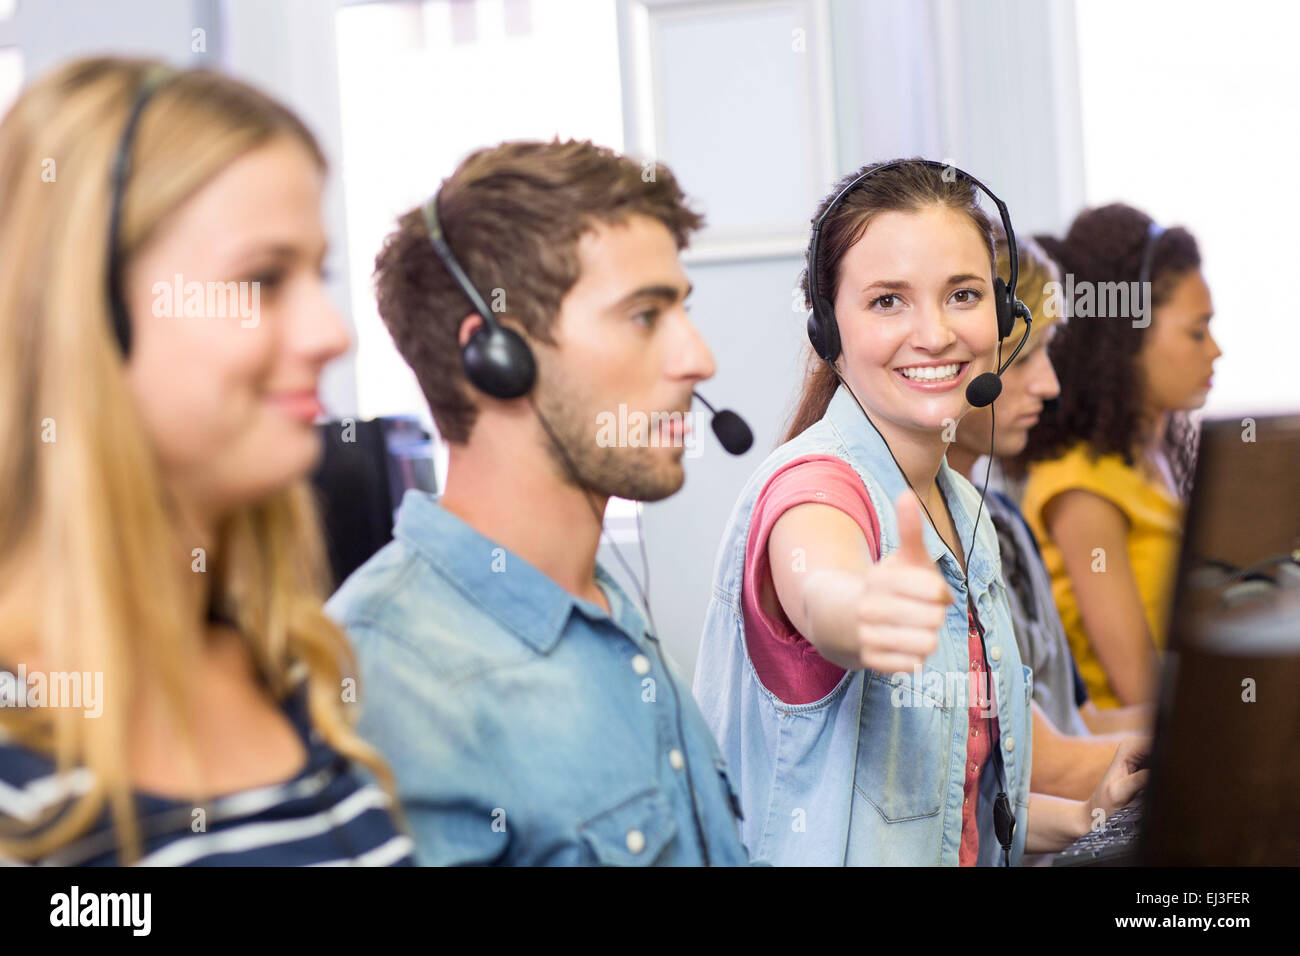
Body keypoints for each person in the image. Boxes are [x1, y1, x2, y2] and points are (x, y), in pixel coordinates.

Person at [0, 58, 412, 866]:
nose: (333, 333)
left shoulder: (290, 670)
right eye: (261, 280)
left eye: (316, 275)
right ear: (90, 316)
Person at [693, 159, 1146, 866]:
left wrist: (1093, 814)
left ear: (1001, 316)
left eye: (962, 295)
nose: (934, 334)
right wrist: (858, 612)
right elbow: (821, 585)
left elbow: (962, 813)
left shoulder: (962, 506)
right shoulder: (814, 491)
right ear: (827, 331)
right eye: (887, 301)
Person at [327, 139, 750, 865]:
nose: (698, 358)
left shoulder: (607, 611)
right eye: (645, 315)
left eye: (682, 309)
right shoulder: (392, 676)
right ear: (494, 357)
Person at [947, 231, 1149, 809]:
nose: (1051, 385)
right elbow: (1046, 767)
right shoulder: (919, 529)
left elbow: (1080, 721)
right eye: (1027, 354)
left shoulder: (1003, 518)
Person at [1012, 205, 1219, 709]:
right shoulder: (1082, 487)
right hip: (1140, 764)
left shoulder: (1159, 458)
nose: (1215, 350)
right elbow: (1143, 692)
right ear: (1128, 340)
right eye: (1197, 331)